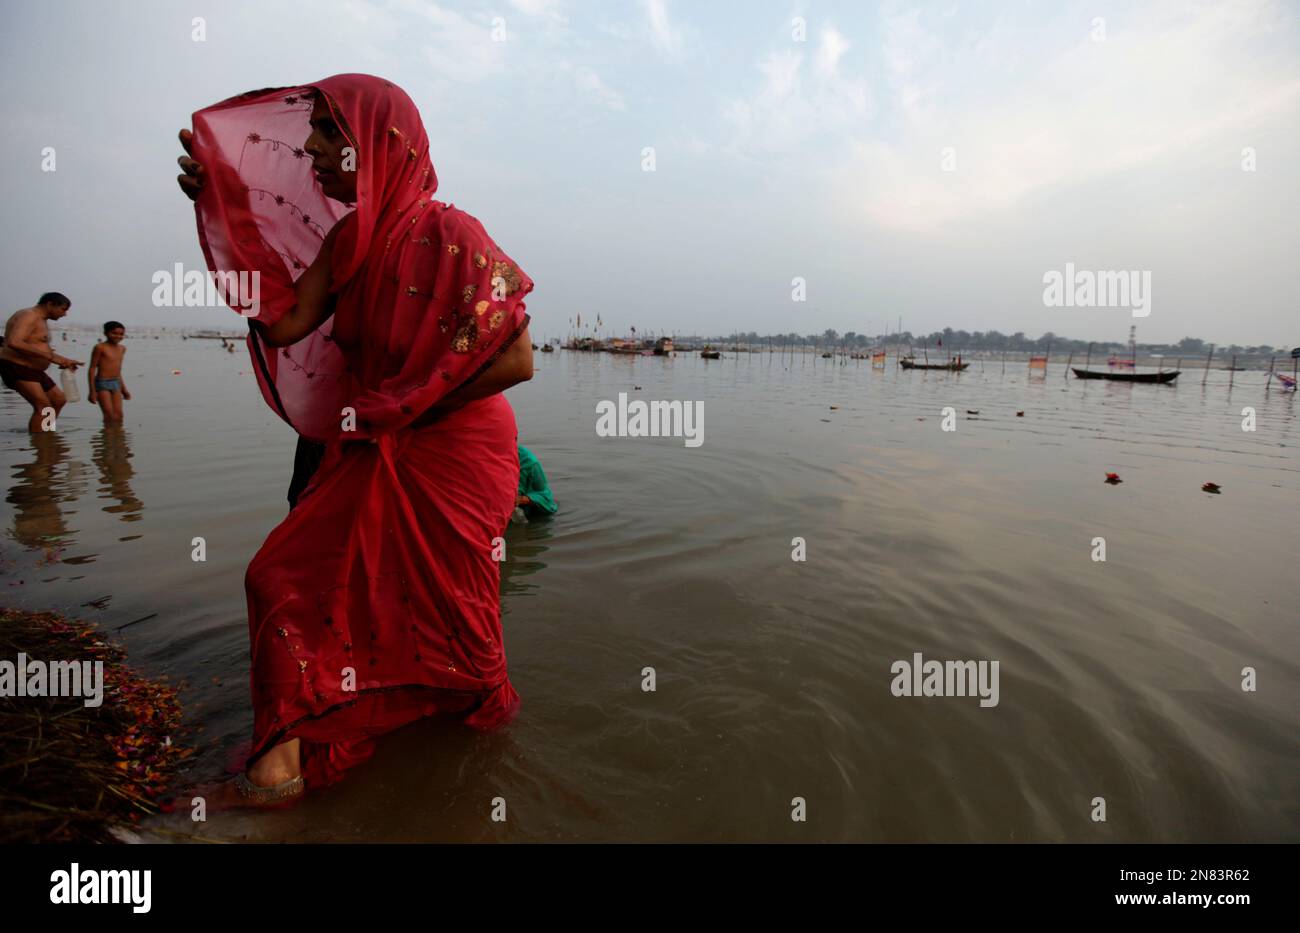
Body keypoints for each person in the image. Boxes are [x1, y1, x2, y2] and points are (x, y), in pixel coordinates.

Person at [177, 74, 536, 806]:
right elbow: (280, 323)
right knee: (281, 579)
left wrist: (405, 406)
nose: (310, 146)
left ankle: (467, 736)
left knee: (455, 610)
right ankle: (294, 769)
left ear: (380, 143)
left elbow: (516, 359)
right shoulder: (349, 240)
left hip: (452, 450)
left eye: (329, 132)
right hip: (370, 440)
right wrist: (222, 204)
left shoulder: (451, 234)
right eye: (313, 130)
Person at [1, 293, 80, 432]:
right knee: (43, 406)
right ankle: (41, 443)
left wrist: (64, 360)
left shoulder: (41, 320)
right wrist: (51, 358)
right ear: (50, 304)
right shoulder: (29, 315)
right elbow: (13, 342)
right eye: (63, 309)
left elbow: (37, 346)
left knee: (58, 400)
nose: (65, 314)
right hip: (17, 366)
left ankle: (46, 433)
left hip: (33, 369)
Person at [87, 321, 130, 423]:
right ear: (106, 333)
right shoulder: (100, 347)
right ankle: (108, 437)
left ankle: (118, 437)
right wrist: (92, 391)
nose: (118, 336)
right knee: (109, 415)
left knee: (119, 415)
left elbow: (118, 371)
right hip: (102, 383)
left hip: (116, 383)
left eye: (121, 334)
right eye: (114, 333)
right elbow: (92, 369)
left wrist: (124, 389)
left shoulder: (122, 349)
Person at [516, 445, 557, 520]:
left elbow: (547, 501)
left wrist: (524, 499)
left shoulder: (527, 461)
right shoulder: (489, 459)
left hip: (533, 517)